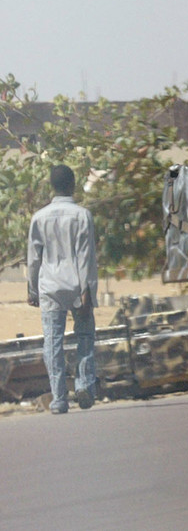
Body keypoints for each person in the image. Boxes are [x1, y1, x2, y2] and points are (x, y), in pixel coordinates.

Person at [27, 164, 98, 414]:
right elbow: (85, 256)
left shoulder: (39, 217)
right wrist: (87, 289)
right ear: (73, 185)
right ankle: (84, 384)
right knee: (86, 336)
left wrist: (32, 290)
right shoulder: (82, 215)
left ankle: (59, 399)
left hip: (49, 287)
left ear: (51, 186)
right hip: (78, 286)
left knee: (52, 342)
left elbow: (34, 258)